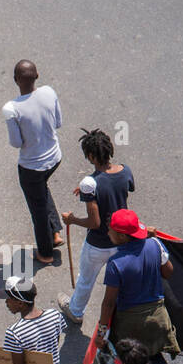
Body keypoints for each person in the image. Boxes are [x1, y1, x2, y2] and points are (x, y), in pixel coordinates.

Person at [58, 128, 135, 325]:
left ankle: (75, 311)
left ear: (91, 155)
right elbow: (116, 188)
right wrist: (87, 189)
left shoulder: (91, 183)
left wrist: (72, 219)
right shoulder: (125, 171)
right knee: (120, 282)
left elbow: (95, 222)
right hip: (122, 241)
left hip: (98, 244)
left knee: (86, 279)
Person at [95, 209, 178, 364]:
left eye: (110, 229)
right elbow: (168, 272)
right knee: (155, 358)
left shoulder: (116, 263)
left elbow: (109, 304)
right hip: (158, 320)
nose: (108, 232)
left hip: (130, 324)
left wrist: (101, 333)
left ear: (122, 237)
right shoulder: (154, 245)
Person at [2, 60, 64, 262]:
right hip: (54, 157)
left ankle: (45, 253)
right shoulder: (49, 92)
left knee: (37, 209)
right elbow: (58, 122)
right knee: (41, 190)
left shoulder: (12, 108)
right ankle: (54, 231)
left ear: (15, 80)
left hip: (31, 167)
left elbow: (16, 142)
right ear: (37, 76)